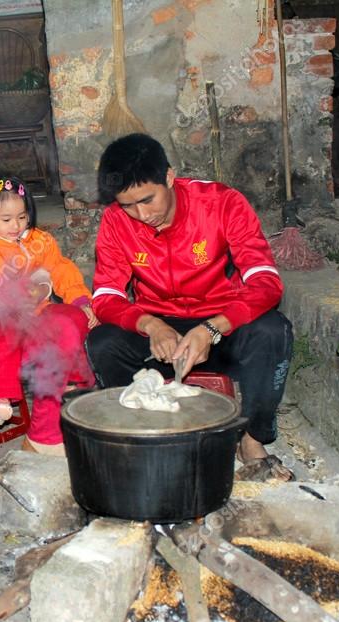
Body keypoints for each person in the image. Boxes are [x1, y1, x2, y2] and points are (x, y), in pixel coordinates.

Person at [87, 133, 294, 481]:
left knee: (273, 331)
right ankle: (145, 434)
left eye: (147, 200)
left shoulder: (221, 203)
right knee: (102, 342)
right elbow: (106, 297)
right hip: (160, 334)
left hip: (220, 326)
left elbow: (266, 283)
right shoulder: (115, 221)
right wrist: (149, 324)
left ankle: (252, 440)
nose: (140, 214)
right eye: (128, 205)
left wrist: (213, 328)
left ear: (169, 177)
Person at [0, 176, 96, 455]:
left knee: (74, 319)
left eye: (22, 217)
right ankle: (3, 398)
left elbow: (61, 269)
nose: (16, 226)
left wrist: (80, 299)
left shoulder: (39, 241)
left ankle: (73, 381)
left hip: (38, 315)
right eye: (6, 219)